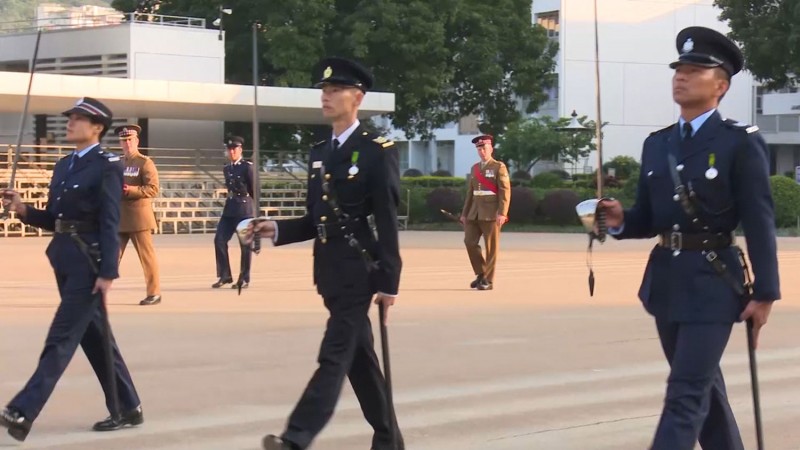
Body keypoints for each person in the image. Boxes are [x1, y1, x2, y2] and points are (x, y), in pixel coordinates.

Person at [599, 26, 780, 450]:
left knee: (684, 395)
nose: (681, 76)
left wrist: (766, 292)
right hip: (667, 283)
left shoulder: (739, 143)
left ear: (721, 86)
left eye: (695, 70)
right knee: (705, 395)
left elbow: (759, 219)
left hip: (714, 284)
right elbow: (650, 219)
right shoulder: (658, 144)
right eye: (679, 69)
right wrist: (620, 220)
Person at [249, 57, 403, 450]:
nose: (326, 96)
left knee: (334, 355)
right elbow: (315, 219)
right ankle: (390, 441)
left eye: (335, 90)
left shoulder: (376, 151)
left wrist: (389, 282)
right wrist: (276, 228)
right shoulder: (319, 152)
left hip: (359, 271)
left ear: (358, 98)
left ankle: (296, 438)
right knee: (360, 362)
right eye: (324, 90)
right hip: (329, 272)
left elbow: (386, 222)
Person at [0, 97, 143, 442]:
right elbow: (55, 218)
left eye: (78, 118)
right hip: (65, 257)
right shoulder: (65, 165)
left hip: (89, 264)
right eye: (70, 117)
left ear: (97, 128)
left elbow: (110, 221)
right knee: (96, 338)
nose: (70, 122)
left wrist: (108, 271)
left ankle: (22, 410)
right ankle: (128, 406)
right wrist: (23, 209)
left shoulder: (107, 165)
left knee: (61, 337)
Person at [115, 124, 162, 306]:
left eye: (130, 140)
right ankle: (98, 293)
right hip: (120, 217)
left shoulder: (144, 162)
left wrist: (131, 190)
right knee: (110, 257)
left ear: (136, 141)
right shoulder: (118, 162)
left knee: (147, 258)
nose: (127, 143)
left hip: (138, 218)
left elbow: (153, 189)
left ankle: (154, 293)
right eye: (124, 140)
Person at [460, 134, 510, 290]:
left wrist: (502, 213)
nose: (482, 152)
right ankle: (481, 273)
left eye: (484, 148)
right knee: (469, 242)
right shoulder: (475, 168)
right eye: (479, 149)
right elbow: (470, 192)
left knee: (491, 247)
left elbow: (505, 190)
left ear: (491, 149)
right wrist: (464, 213)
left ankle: (488, 280)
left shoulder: (498, 167)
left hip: (491, 212)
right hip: (474, 212)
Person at [211, 135, 255, 289]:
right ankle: (225, 275)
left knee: (245, 245)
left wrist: (254, 213)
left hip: (244, 210)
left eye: (234, 149)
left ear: (240, 149)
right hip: (229, 209)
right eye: (229, 149)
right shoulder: (227, 168)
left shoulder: (247, 167)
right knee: (219, 240)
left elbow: (254, 190)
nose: (232, 152)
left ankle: (244, 278)